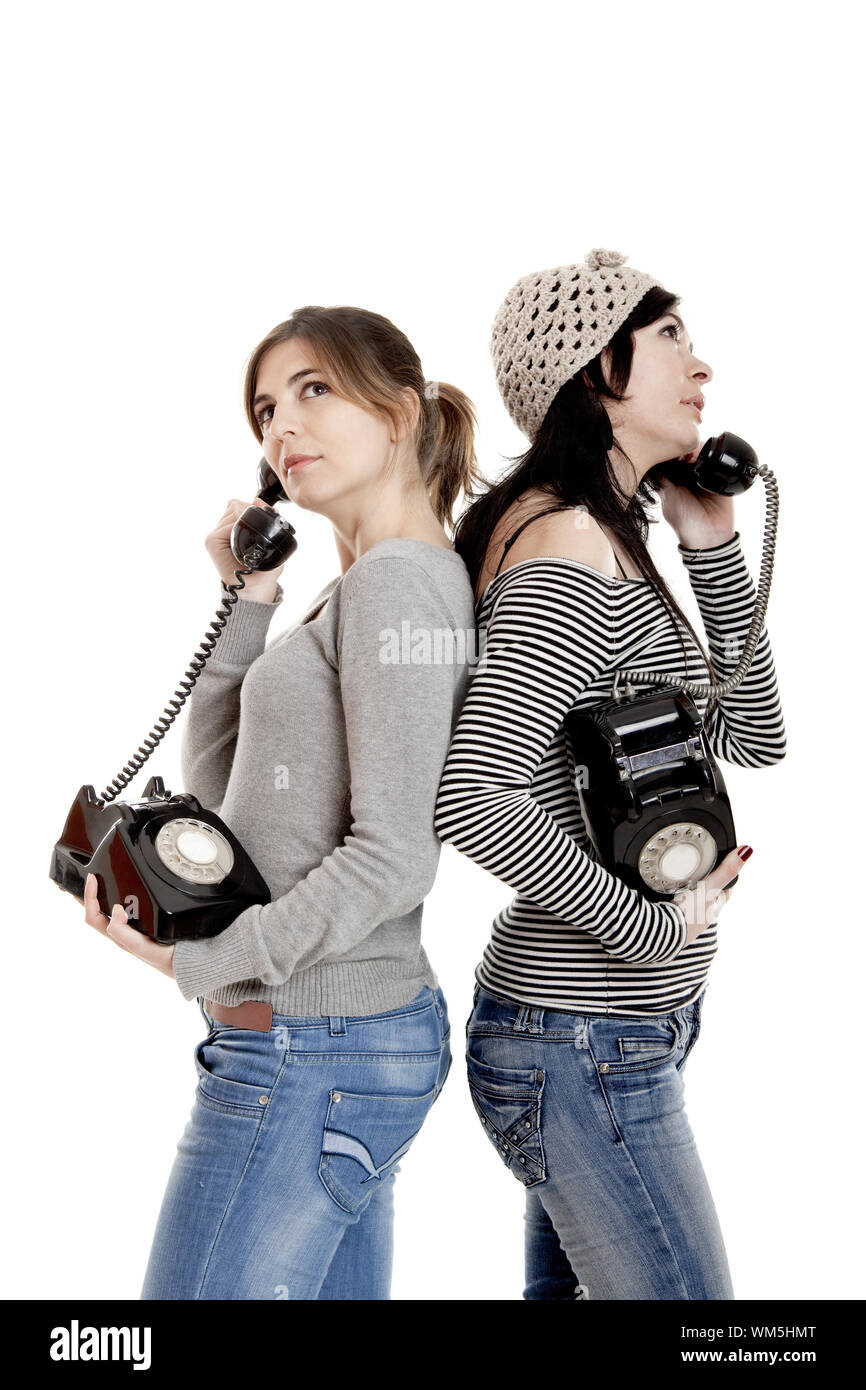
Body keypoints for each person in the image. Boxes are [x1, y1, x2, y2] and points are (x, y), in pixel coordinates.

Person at [81, 304, 481, 1299]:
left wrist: (210, 958)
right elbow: (223, 800)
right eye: (265, 410)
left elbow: (396, 855)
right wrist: (248, 602)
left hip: (313, 1042)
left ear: (397, 412)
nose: (280, 429)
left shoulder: (394, 588)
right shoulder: (373, 588)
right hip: (330, 1038)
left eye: (312, 391)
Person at [434, 248, 787, 1300]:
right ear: (594, 371)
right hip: (579, 1035)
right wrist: (651, 928)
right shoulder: (564, 547)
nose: (701, 366)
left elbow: (755, 735)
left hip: (616, 1033)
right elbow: (472, 793)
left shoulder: (612, 537)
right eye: (670, 335)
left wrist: (711, 543)